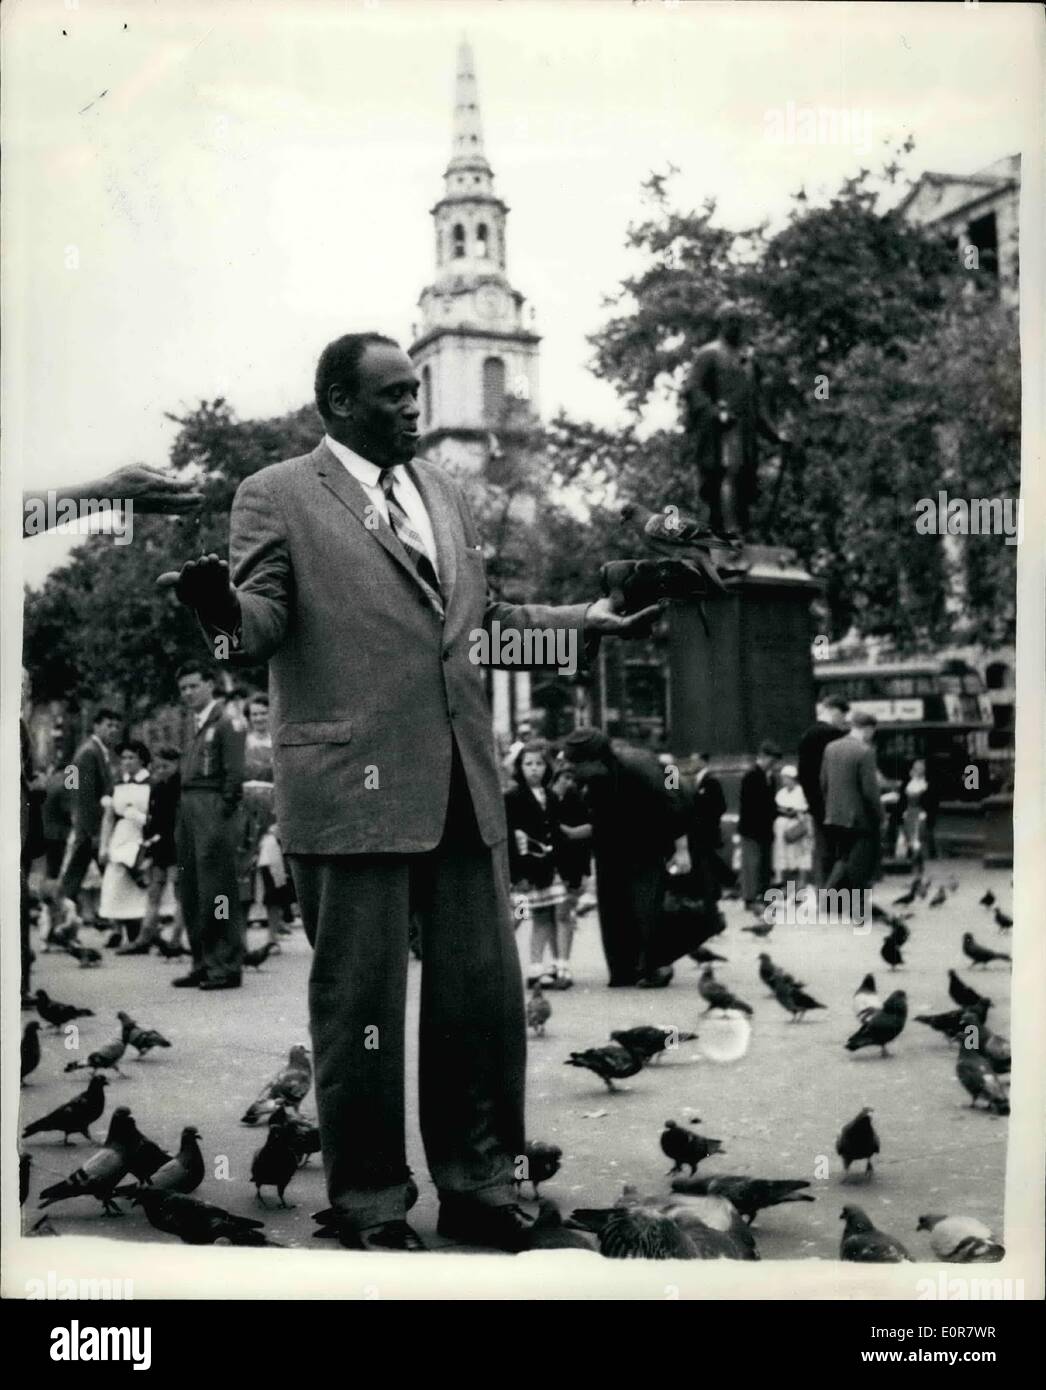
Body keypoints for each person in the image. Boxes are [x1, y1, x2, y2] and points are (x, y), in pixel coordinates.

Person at [157, 332, 658, 1253]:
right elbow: (258, 627)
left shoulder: (444, 492)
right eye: (392, 394)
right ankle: (371, 1204)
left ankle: (478, 1185)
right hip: (351, 787)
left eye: (416, 391)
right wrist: (219, 611)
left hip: (466, 785)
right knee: (363, 1010)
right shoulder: (275, 493)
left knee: (483, 999)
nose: (412, 406)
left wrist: (585, 624)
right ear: (339, 404)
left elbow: (486, 631)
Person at [560, 729, 687, 989]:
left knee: (646, 907)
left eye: (575, 764)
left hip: (647, 844)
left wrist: (682, 847)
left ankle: (655, 967)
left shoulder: (639, 765)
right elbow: (599, 819)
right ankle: (623, 971)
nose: (571, 770)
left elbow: (672, 796)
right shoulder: (593, 779)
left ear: (594, 759)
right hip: (611, 847)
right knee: (612, 907)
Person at [171, 661, 247, 991]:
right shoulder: (194, 724)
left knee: (217, 890)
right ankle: (201, 961)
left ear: (209, 684)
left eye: (193, 686)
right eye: (183, 688)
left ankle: (226, 965)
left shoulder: (227, 721)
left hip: (212, 806)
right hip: (188, 807)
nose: (188, 693)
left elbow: (234, 775)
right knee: (190, 889)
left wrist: (222, 812)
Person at [681, 301, 787, 536]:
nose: (736, 325)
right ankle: (731, 531)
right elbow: (693, 390)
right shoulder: (709, 354)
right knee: (731, 472)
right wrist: (715, 412)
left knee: (747, 481)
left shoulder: (748, 359)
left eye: (739, 321)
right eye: (731, 320)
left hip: (746, 430)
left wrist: (774, 433)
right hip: (722, 429)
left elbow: (757, 402)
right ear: (721, 323)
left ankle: (742, 533)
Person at [505, 741, 573, 990]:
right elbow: (511, 838)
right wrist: (515, 873)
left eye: (539, 764)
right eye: (528, 764)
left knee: (552, 914)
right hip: (527, 869)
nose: (534, 769)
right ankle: (524, 965)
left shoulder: (552, 796)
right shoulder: (512, 797)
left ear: (547, 767)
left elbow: (556, 832)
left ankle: (547, 966)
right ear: (519, 768)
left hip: (549, 867)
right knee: (526, 915)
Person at [118, 745, 185, 955]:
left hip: (176, 846)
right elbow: (152, 818)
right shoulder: (157, 787)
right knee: (153, 892)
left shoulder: (181, 787)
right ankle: (145, 937)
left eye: (166, 766)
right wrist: (148, 840)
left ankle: (175, 939)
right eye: (158, 767)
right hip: (159, 847)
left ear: (176, 764)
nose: (161, 771)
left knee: (179, 894)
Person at [59, 707, 121, 917]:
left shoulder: (99, 752)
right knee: (110, 875)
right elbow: (82, 795)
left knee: (74, 878)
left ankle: (57, 921)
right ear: (97, 726)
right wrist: (93, 832)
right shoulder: (89, 752)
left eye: (116, 726)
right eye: (108, 725)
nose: (113, 730)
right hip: (92, 830)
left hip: (92, 829)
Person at [821, 710, 882, 896]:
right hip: (859, 819)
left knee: (842, 858)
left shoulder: (830, 748)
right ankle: (855, 902)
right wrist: (880, 815)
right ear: (868, 729)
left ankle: (831, 897)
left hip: (834, 815)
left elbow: (823, 782)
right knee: (860, 863)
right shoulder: (865, 752)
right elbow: (869, 791)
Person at [98, 742, 152, 946]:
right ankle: (115, 928)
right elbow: (109, 817)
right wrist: (104, 845)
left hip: (141, 834)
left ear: (141, 760)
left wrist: (139, 817)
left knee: (137, 881)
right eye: (124, 758)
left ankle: (136, 927)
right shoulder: (117, 784)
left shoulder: (150, 783)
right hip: (121, 835)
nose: (127, 762)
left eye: (132, 758)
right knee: (115, 880)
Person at [797, 694, 850, 887]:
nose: (844, 720)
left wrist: (814, 804)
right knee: (841, 854)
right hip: (837, 806)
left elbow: (804, 775)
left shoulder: (807, 735)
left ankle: (824, 897)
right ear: (835, 710)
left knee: (822, 853)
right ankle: (838, 899)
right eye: (843, 714)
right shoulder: (835, 736)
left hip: (817, 806)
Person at [241, 693, 277, 928]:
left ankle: (273, 933)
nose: (259, 718)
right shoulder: (243, 743)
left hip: (271, 805)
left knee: (272, 867)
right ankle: (243, 928)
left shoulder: (276, 741)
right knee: (245, 865)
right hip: (246, 807)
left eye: (263, 712)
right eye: (254, 714)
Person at [683, 751, 732, 909]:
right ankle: (710, 892)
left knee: (707, 863)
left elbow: (720, 806)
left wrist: (707, 818)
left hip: (706, 831)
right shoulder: (692, 780)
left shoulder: (711, 781)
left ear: (703, 762)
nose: (691, 763)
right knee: (705, 863)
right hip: (697, 832)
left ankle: (714, 892)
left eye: (694, 760)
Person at [738, 741, 781, 907]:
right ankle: (750, 898)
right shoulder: (751, 776)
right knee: (752, 864)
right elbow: (750, 804)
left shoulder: (770, 777)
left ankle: (763, 895)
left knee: (764, 864)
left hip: (765, 827)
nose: (773, 764)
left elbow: (769, 803)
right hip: (752, 827)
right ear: (762, 756)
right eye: (771, 760)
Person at [773, 763, 812, 888]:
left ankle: (802, 883)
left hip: (797, 826)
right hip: (782, 827)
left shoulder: (801, 791)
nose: (784, 780)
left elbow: (802, 809)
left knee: (801, 855)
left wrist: (793, 811)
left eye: (786, 778)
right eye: (783, 778)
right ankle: (787, 884)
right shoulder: (781, 793)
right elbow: (778, 807)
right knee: (784, 856)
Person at [897, 758, 937, 869]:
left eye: (921, 767)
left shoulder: (928, 784)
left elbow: (932, 803)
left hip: (921, 813)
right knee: (906, 831)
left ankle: (919, 856)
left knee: (919, 832)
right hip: (908, 812)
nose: (918, 769)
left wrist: (926, 813)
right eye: (916, 767)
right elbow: (902, 800)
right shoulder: (908, 783)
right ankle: (908, 855)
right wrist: (903, 812)